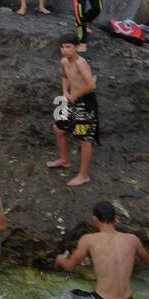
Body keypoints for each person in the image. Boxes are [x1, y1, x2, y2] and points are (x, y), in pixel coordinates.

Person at [54, 200, 149, 299]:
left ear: (95, 219)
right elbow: (148, 261)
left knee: (71, 295)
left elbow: (70, 267)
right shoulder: (132, 239)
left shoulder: (88, 240)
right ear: (115, 219)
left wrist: (60, 259)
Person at [47, 35, 99, 187]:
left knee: (84, 139)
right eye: (62, 47)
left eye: (68, 46)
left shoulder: (80, 63)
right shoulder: (64, 61)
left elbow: (91, 85)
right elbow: (64, 76)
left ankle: (83, 175)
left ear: (76, 47)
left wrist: (74, 96)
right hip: (69, 99)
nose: (65, 50)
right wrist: (65, 92)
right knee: (58, 129)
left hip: (85, 102)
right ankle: (64, 160)